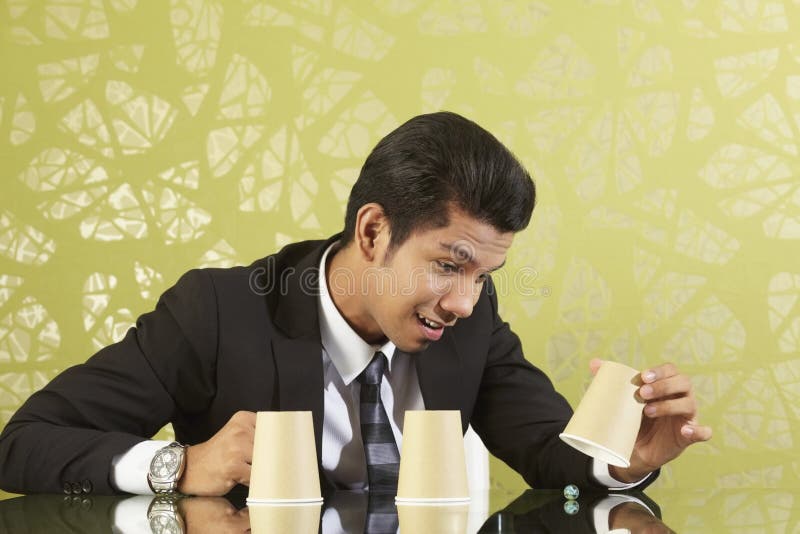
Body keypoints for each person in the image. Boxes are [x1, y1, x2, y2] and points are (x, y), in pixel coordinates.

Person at [0, 112, 711, 498]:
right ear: (372, 232)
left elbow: (547, 447)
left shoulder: (472, 317)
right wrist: (179, 466)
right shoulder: (216, 311)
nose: (466, 301)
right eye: (449, 265)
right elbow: (23, 444)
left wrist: (625, 460)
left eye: (485, 275)